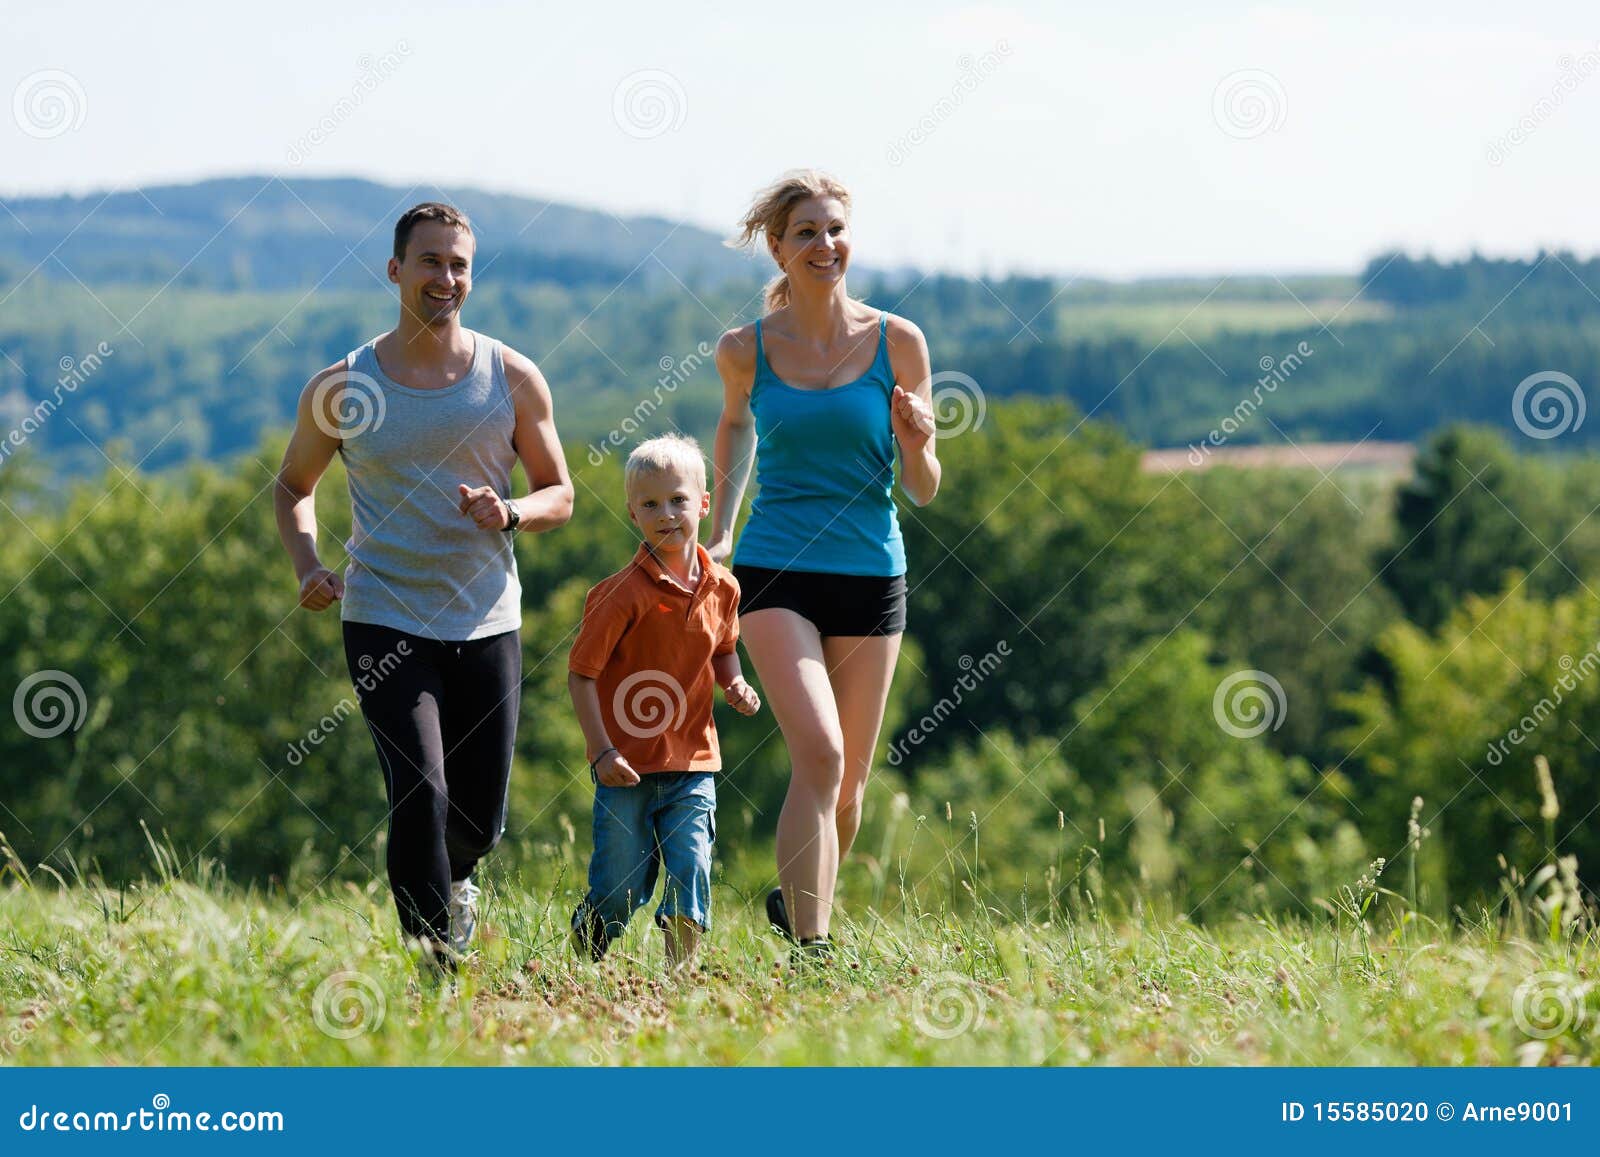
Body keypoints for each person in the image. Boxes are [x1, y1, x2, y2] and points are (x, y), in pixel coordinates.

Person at [273, 202, 573, 970]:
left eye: (459, 264)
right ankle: (435, 966)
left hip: (485, 617)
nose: (446, 277)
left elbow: (559, 493)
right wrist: (308, 564)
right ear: (395, 270)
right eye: (431, 261)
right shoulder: (344, 384)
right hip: (383, 614)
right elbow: (292, 486)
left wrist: (507, 511)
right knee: (420, 794)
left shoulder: (511, 376)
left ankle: (458, 881)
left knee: (478, 820)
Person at [708, 170, 941, 956]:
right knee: (820, 750)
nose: (825, 244)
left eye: (835, 229)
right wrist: (718, 531)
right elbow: (736, 432)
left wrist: (916, 439)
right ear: (777, 248)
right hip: (776, 568)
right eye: (806, 231)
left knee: (847, 791)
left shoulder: (898, 342)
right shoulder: (745, 350)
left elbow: (925, 486)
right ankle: (814, 952)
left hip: (872, 572)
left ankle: (795, 895)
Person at [567, 434, 761, 969]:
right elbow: (581, 676)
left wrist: (735, 683)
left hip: (693, 760)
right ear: (632, 513)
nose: (666, 514)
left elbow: (723, 648)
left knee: (691, 869)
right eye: (650, 504)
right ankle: (583, 957)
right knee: (620, 889)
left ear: (703, 503)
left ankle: (679, 987)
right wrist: (602, 753)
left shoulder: (723, 587)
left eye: (678, 499)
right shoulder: (618, 594)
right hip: (624, 767)